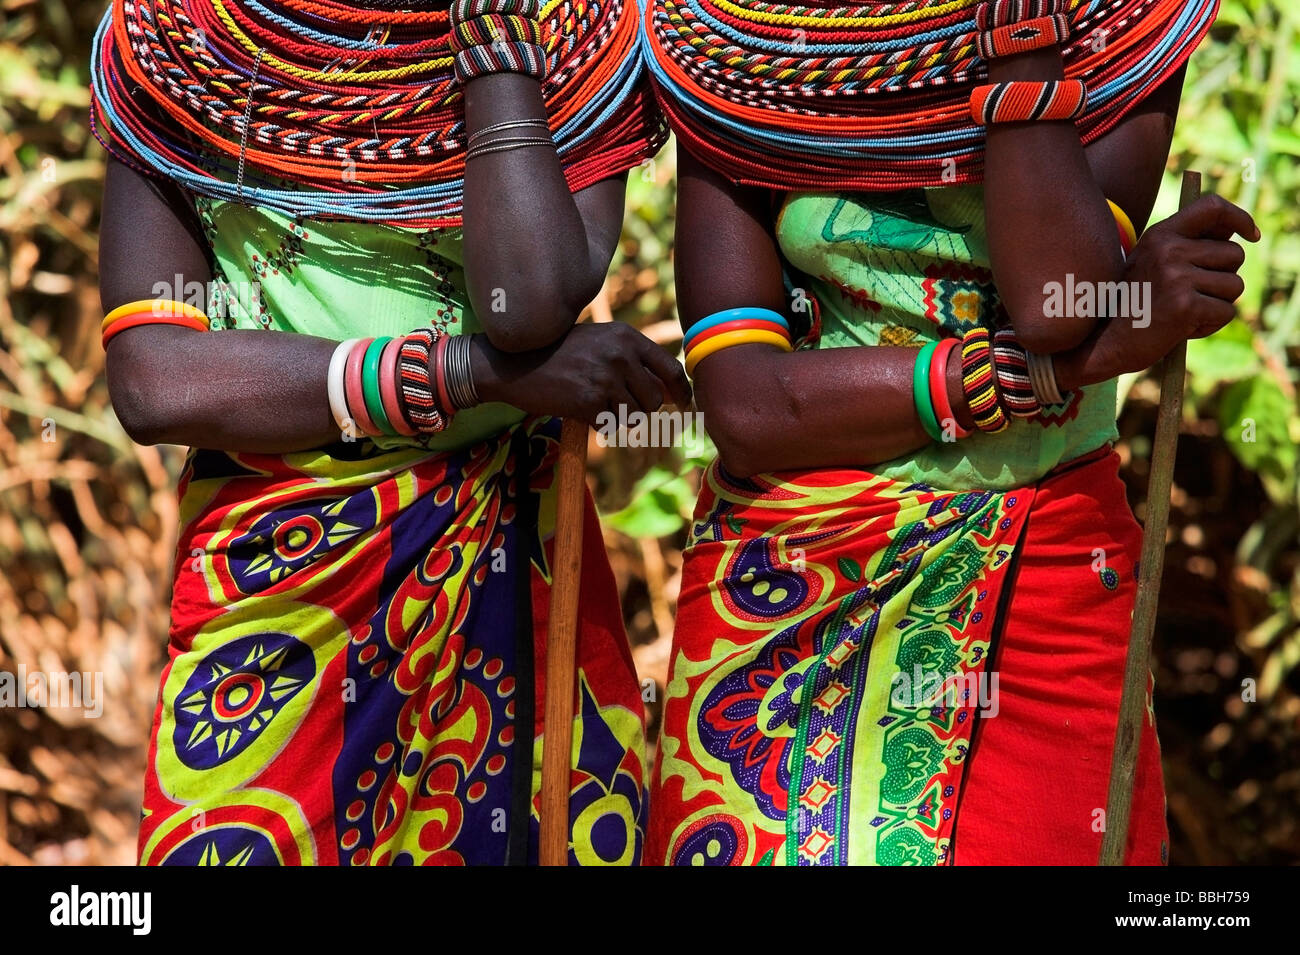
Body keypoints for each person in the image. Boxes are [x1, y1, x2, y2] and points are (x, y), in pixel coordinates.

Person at [642, 0, 1257, 864]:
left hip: (1050, 573)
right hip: (802, 574)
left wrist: (1018, 44)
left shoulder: (1122, 25)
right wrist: (1064, 368)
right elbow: (747, 406)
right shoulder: (737, 42)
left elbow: (1054, 299)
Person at [92, 0, 686, 865]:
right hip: (280, 568)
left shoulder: (574, 29)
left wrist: (497, 48)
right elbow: (154, 378)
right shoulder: (178, 37)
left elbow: (527, 303)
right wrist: (463, 376)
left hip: (507, 548)